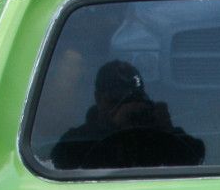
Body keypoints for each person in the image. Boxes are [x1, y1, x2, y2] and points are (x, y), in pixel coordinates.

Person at [51, 60, 205, 171]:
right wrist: (111, 129)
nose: (127, 109)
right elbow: (58, 162)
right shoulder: (78, 140)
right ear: (98, 99)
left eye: (134, 99)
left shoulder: (159, 134)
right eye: (115, 100)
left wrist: (167, 130)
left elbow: (197, 159)